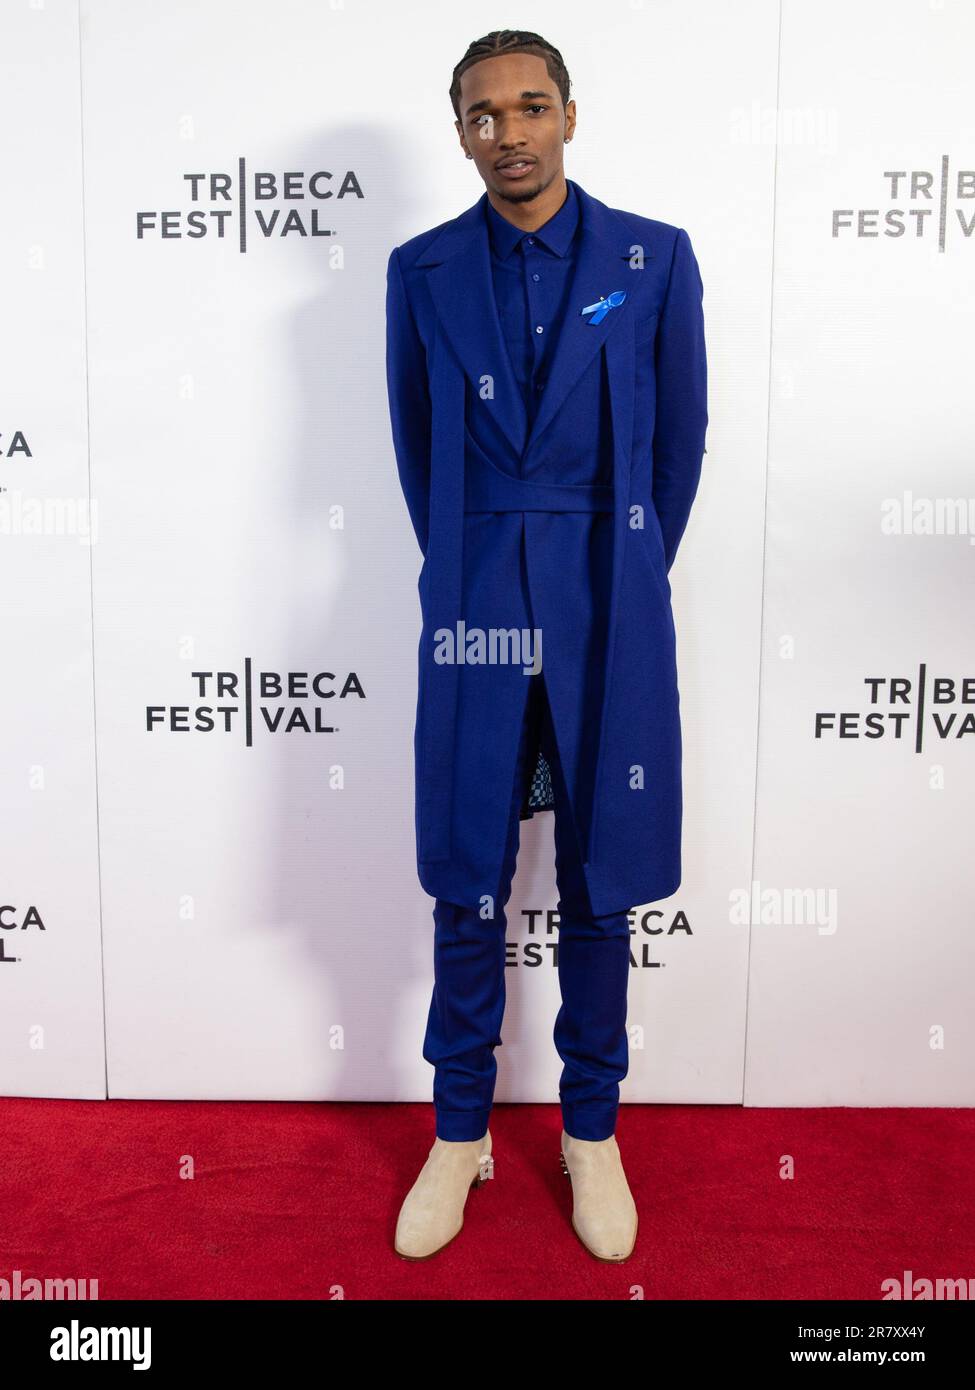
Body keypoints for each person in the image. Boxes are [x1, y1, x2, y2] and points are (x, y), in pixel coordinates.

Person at [384, 29, 708, 1262]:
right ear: (458, 129)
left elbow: (679, 447)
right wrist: (477, 563)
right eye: (483, 114)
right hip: (474, 609)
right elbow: (422, 459)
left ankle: (591, 1132)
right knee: (466, 878)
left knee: (598, 880)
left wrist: (615, 570)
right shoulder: (422, 272)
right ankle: (456, 1129)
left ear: (570, 113)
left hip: (606, 605)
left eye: (530, 107)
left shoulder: (655, 259)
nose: (509, 132)